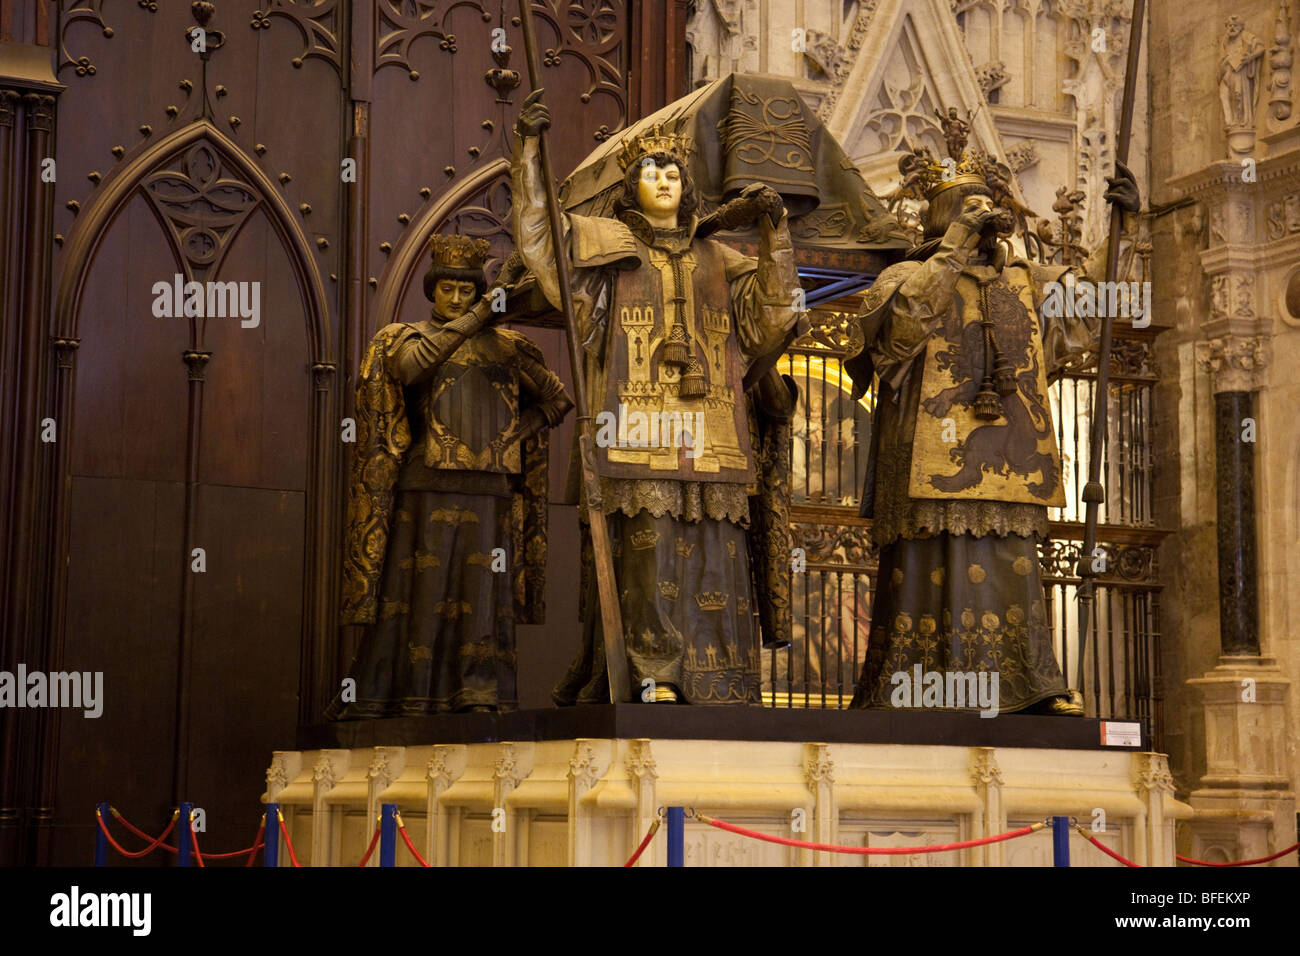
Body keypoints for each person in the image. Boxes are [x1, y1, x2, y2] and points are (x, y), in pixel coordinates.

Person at [510, 93, 802, 705]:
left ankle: (722, 677)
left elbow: (771, 319)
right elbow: (543, 247)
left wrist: (775, 234)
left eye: (673, 172)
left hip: (712, 431)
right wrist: (531, 155)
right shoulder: (603, 246)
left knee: (714, 557)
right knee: (650, 555)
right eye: (650, 171)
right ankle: (655, 675)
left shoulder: (722, 257)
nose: (664, 180)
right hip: (636, 431)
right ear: (630, 184)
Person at [844, 146, 1140, 715]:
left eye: (987, 203)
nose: (982, 212)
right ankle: (916, 690)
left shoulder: (1027, 281)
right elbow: (900, 332)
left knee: (1012, 571)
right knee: (928, 574)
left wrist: (1122, 230)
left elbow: (1090, 307)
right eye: (965, 204)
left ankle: (1027, 685)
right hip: (925, 458)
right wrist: (953, 248)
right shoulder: (905, 276)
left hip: (1012, 452)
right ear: (941, 216)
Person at [327, 235, 573, 718]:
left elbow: (558, 399)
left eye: (468, 290)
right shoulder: (406, 338)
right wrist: (482, 312)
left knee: (482, 597)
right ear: (432, 291)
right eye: (449, 290)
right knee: (417, 596)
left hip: (491, 487)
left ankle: (478, 692)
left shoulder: (509, 347)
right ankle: (402, 694)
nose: (458, 298)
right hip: (426, 482)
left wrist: (514, 432)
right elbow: (414, 368)